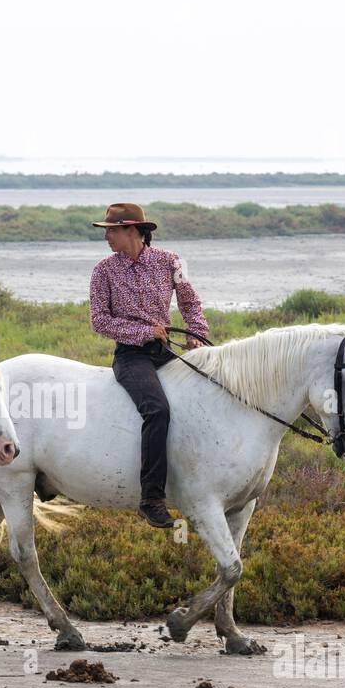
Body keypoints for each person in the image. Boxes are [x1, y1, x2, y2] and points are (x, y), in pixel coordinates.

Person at [88, 203, 209, 529]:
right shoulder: (103, 270)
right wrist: (143, 332)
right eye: (106, 231)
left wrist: (197, 334)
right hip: (131, 356)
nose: (107, 237)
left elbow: (190, 301)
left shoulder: (171, 261)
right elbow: (99, 321)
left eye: (111, 230)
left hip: (164, 351)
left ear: (133, 230)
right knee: (157, 410)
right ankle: (151, 499)